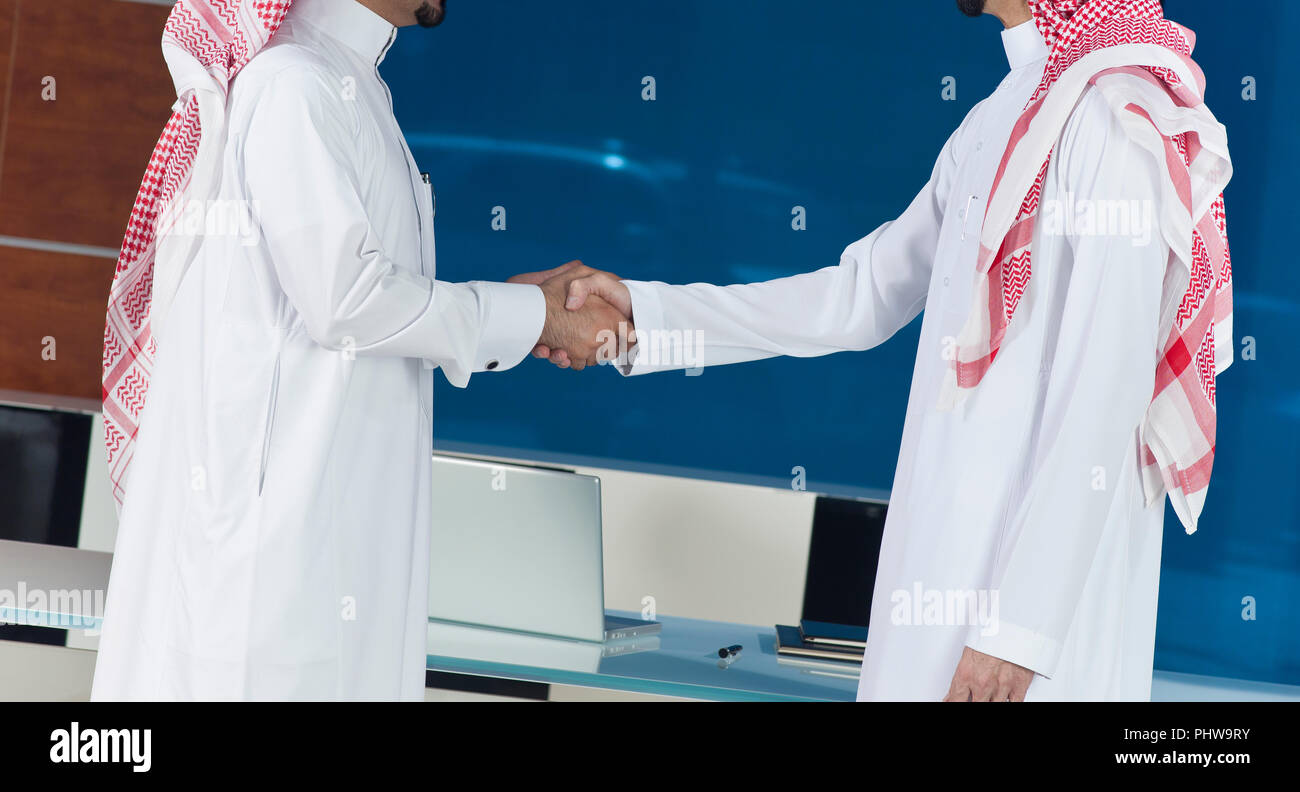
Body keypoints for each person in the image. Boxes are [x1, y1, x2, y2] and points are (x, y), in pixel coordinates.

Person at [518, 0, 1233, 701]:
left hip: (1031, 644)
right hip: (951, 590)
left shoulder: (1115, 116)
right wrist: (640, 317)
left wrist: (1018, 633)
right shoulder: (1003, 112)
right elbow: (860, 297)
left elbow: (1105, 392)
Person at [93, 0, 627, 700]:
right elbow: (347, 300)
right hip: (273, 584)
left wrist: (527, 310)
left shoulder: (343, 82)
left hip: (326, 562)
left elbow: (371, 305)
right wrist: (535, 318)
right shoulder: (295, 84)